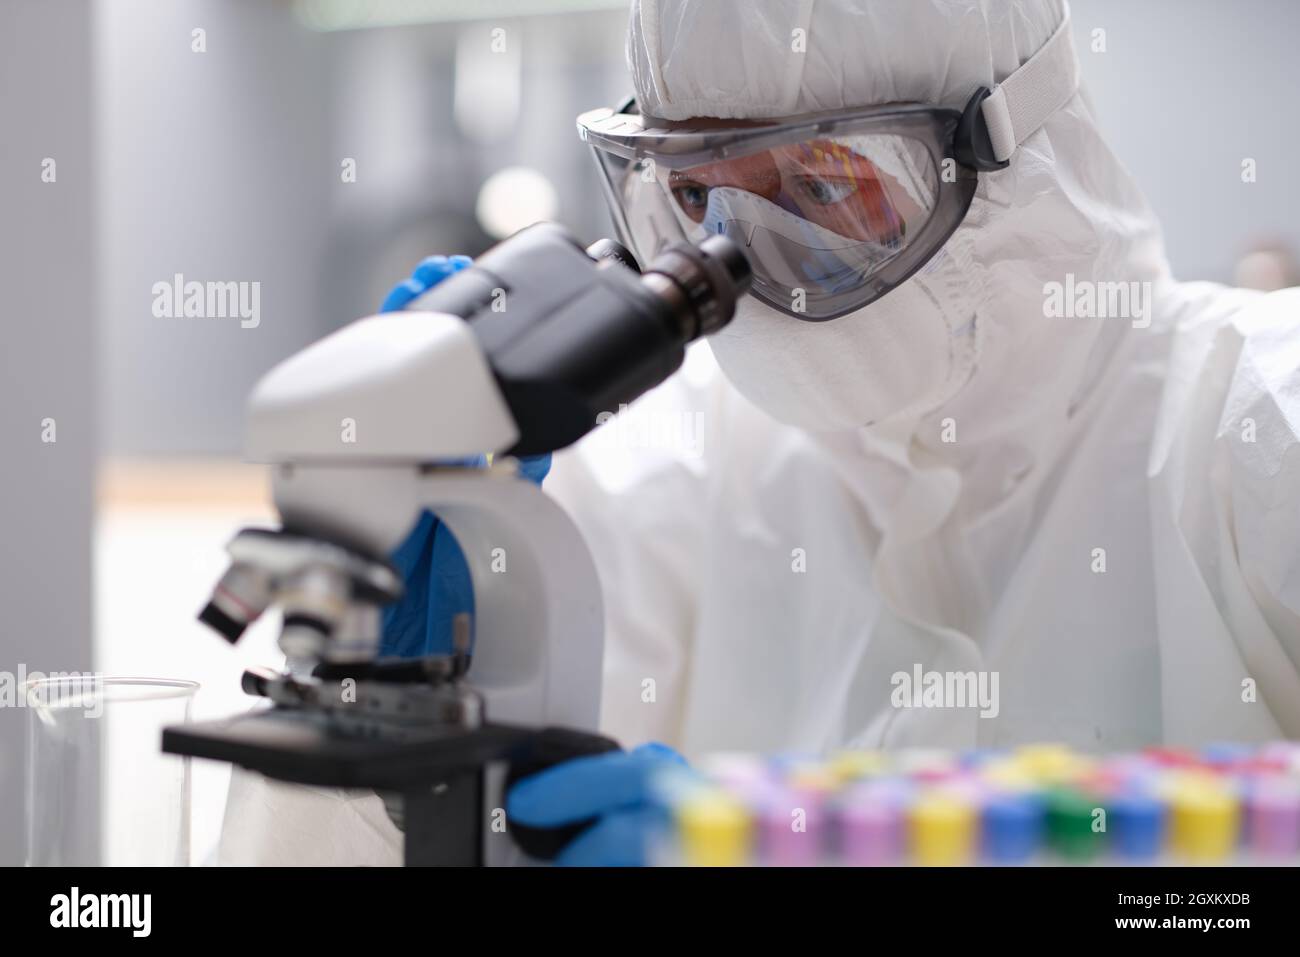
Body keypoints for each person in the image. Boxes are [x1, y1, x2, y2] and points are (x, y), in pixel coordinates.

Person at [225, 0, 1300, 866]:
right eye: (693, 190)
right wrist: (406, 724)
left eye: (823, 184)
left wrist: (851, 839)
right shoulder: (659, 475)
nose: (739, 256)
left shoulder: (1254, 426)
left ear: (1012, 148)